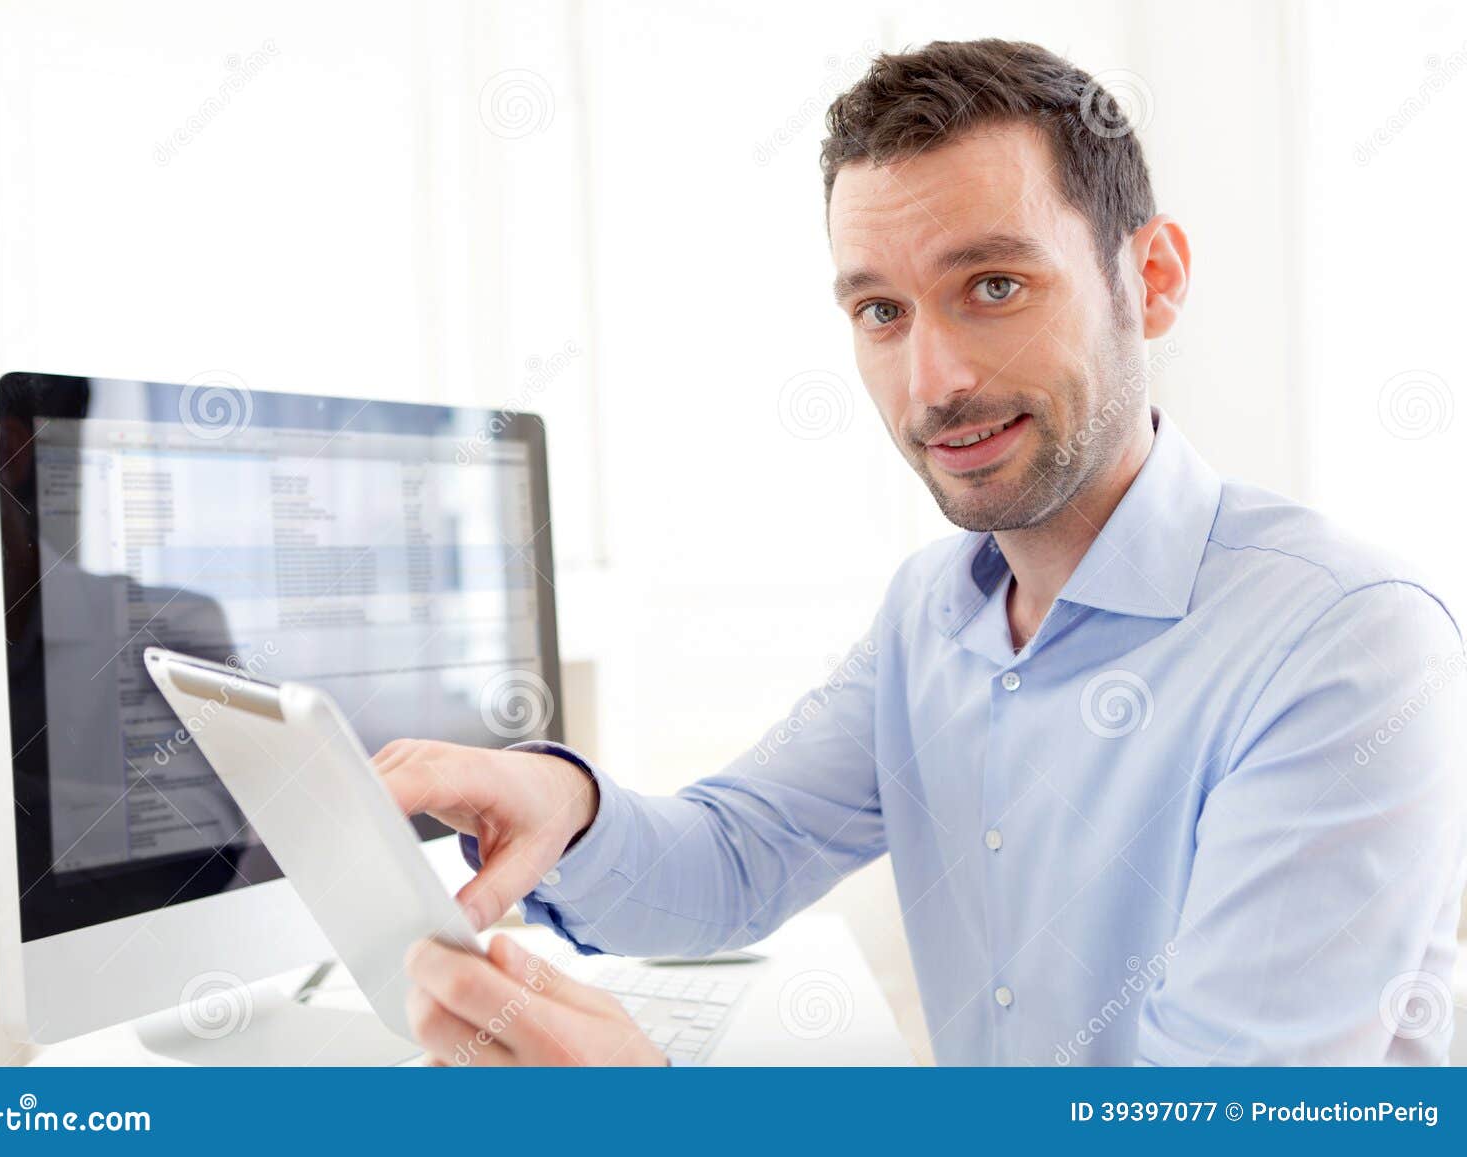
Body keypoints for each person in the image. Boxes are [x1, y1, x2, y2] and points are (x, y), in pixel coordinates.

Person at [378, 38, 1466, 1066]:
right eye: (882, 310)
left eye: (993, 285)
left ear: (1154, 278)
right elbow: (734, 857)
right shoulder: (933, 610)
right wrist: (568, 804)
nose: (932, 377)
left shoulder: (1347, 640)